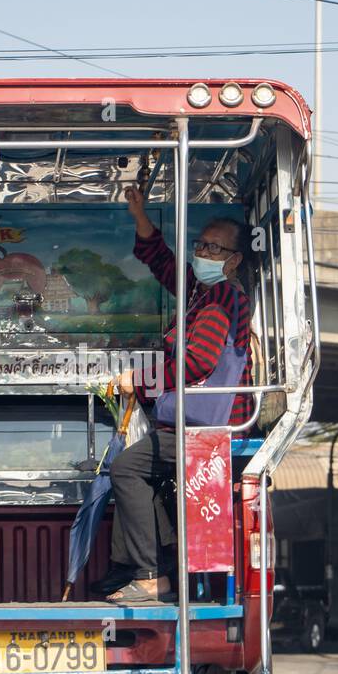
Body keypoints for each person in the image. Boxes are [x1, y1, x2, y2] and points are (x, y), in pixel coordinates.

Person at [101, 186, 253, 603]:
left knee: (128, 470)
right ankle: (151, 563)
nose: (203, 252)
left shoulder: (221, 298)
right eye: (201, 244)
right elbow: (166, 265)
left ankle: (151, 576)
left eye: (214, 248)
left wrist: (143, 380)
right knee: (143, 473)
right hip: (197, 424)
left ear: (234, 261)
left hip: (210, 428)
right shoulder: (202, 292)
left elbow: (198, 362)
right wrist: (140, 217)